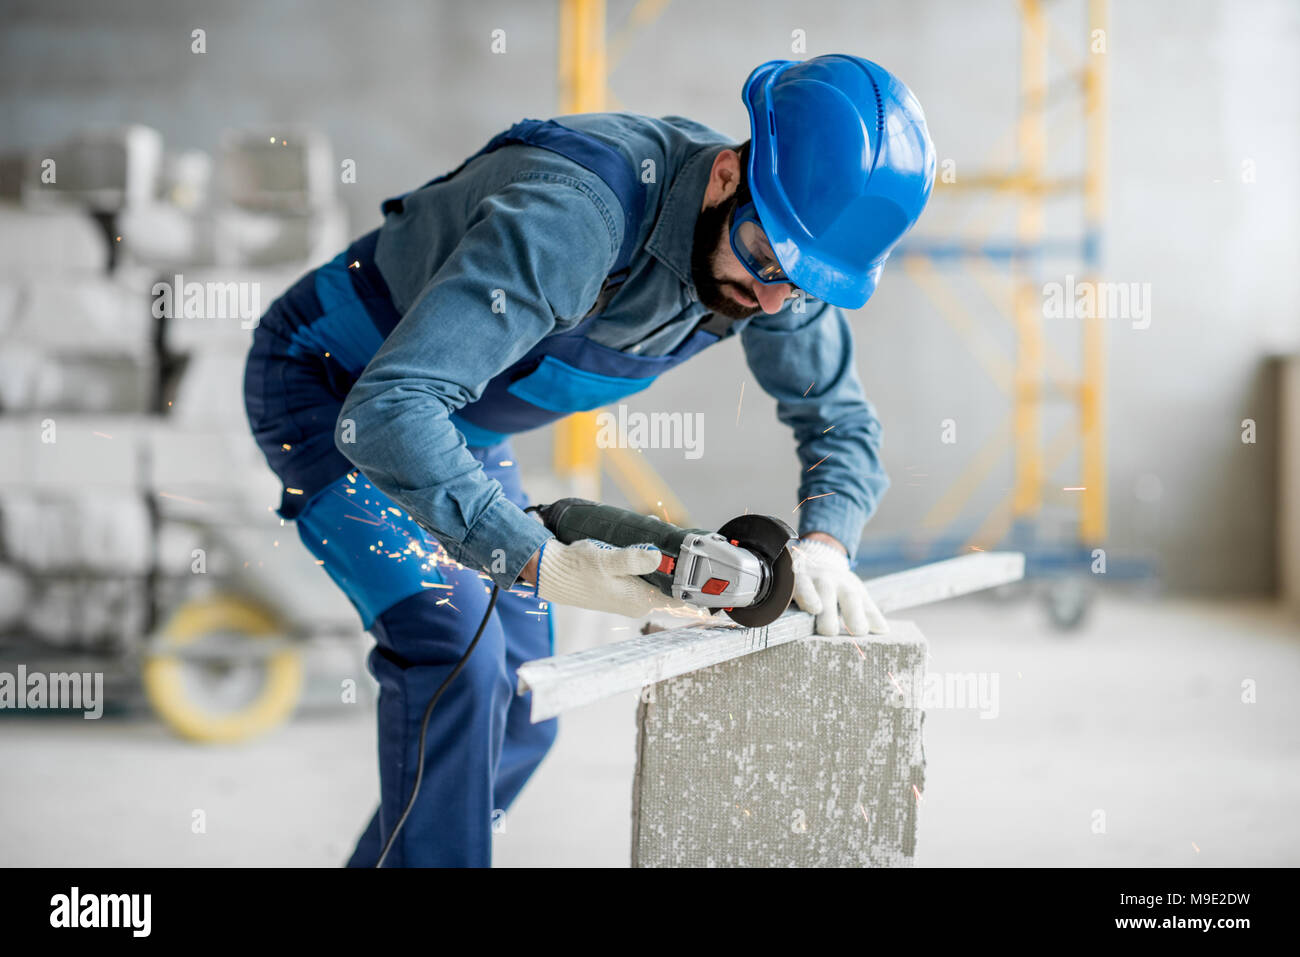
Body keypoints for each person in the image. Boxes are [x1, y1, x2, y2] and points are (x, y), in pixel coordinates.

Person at [243, 54, 936, 867]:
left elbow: (839, 421)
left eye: (804, 283)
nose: (774, 298)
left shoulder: (780, 268)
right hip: (329, 387)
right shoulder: (575, 214)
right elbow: (392, 410)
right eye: (766, 257)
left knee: (523, 705)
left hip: (451, 419)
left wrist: (826, 545)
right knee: (455, 652)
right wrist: (542, 561)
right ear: (723, 176)